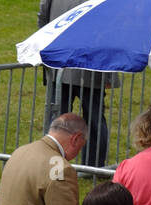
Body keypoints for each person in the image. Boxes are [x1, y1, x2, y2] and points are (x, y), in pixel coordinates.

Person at [38, 0, 116, 168]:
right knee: (93, 118)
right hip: (89, 66)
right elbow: (109, 28)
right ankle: (93, 166)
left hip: (61, 64)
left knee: (58, 118)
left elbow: (43, 19)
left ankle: (55, 163)